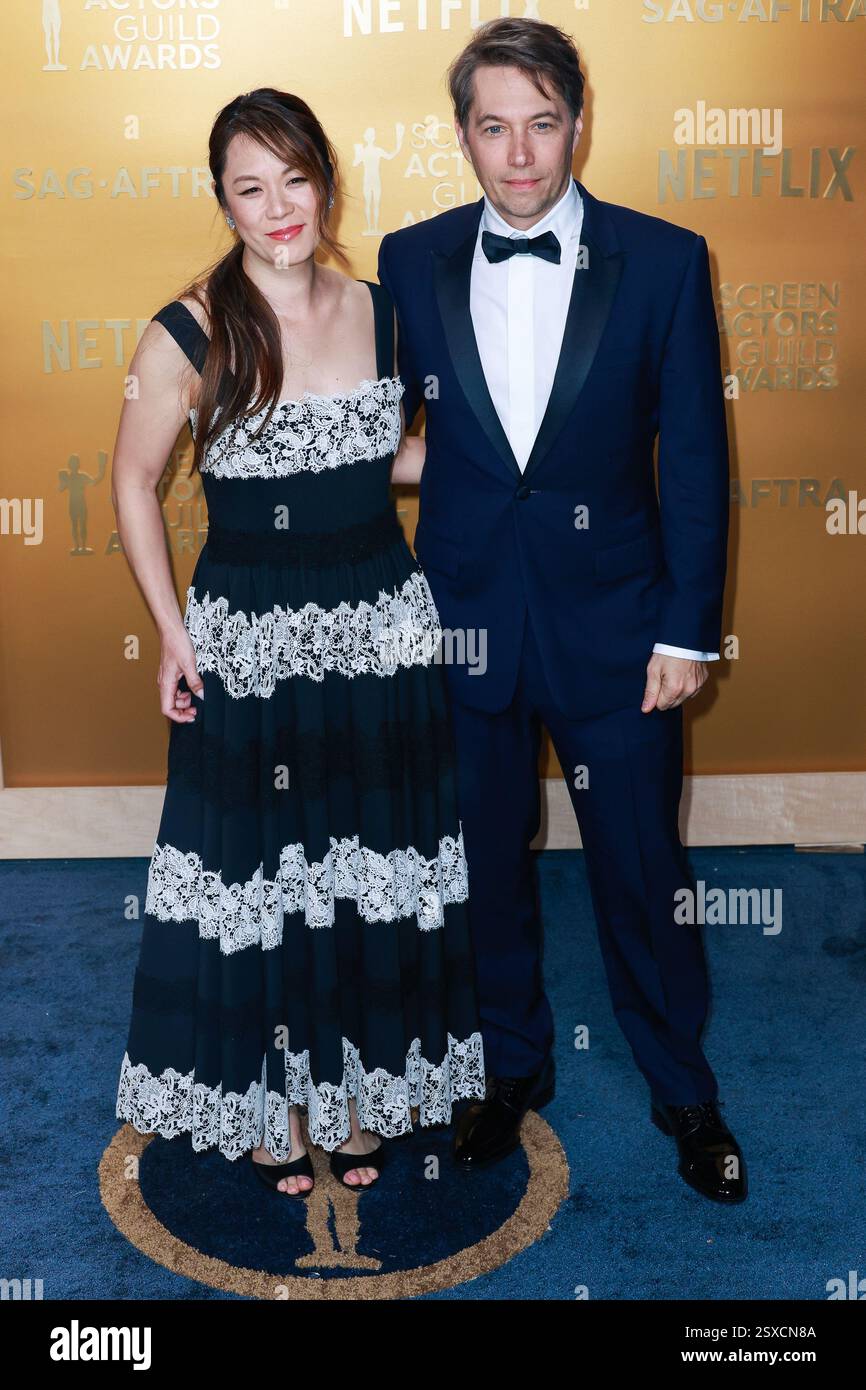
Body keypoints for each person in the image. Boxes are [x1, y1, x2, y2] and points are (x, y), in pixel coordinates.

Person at [377, 18, 747, 1203]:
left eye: (542, 123)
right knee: (484, 864)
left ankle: (681, 1085)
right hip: (465, 624)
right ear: (462, 135)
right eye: (494, 126)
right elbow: (381, 428)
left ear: (577, 123)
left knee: (640, 867)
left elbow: (693, 462)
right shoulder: (407, 258)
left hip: (621, 633)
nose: (520, 153)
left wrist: (686, 629)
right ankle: (507, 1068)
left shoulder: (665, 258)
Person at [110, 88, 485, 1199]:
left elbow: (384, 460)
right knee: (267, 872)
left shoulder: (381, 306)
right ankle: (276, 1099)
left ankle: (361, 1089)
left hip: (379, 626)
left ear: (325, 175)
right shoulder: (186, 329)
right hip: (251, 639)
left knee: (366, 864)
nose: (278, 208)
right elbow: (131, 479)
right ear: (221, 201)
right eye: (249, 188)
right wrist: (173, 637)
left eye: (294, 178)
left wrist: (526, 460)